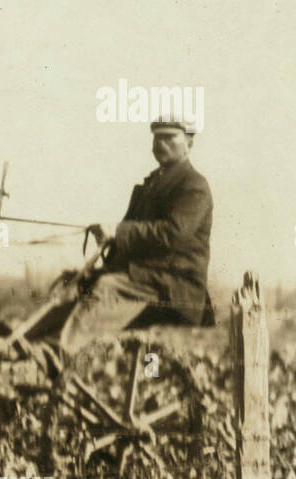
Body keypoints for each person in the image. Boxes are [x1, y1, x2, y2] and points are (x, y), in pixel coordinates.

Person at [58, 117, 214, 355]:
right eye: (157, 137)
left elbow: (172, 234)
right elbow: (130, 237)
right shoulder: (150, 185)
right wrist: (109, 241)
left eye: (169, 138)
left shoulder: (194, 187)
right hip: (146, 278)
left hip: (174, 287)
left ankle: (61, 354)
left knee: (107, 287)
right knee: (77, 282)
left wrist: (118, 232)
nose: (160, 143)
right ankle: (33, 345)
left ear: (189, 143)